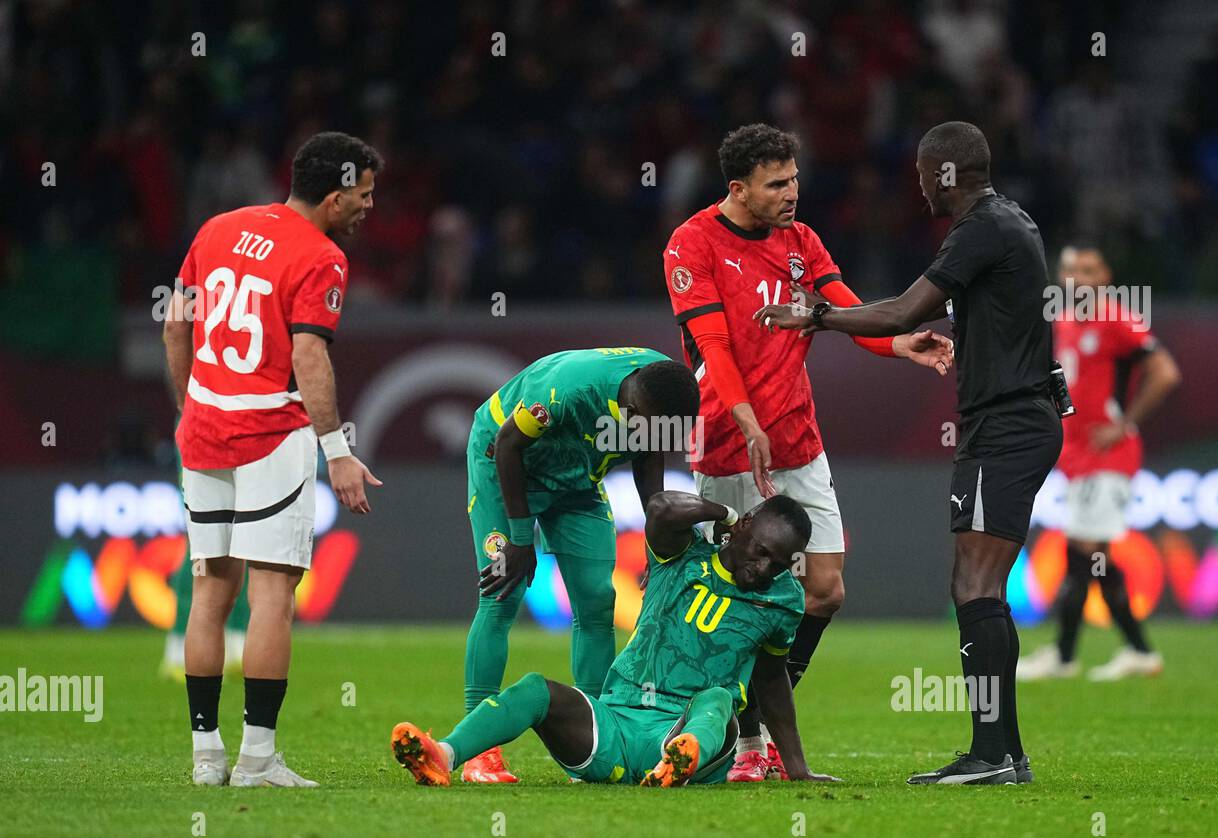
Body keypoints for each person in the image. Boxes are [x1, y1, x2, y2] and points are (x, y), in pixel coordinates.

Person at [761, 121, 1060, 785]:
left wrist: (817, 317)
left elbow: (903, 313)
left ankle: (993, 755)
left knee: (974, 585)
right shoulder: (1013, 222)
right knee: (980, 587)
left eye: (924, 173)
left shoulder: (983, 227)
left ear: (946, 173)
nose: (918, 184)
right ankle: (1003, 753)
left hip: (1005, 423)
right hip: (1017, 418)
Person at [663, 123, 954, 781]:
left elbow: (844, 310)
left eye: (794, 178)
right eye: (776, 184)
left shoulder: (801, 241)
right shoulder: (691, 243)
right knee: (745, 599)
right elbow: (714, 347)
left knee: (823, 589)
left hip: (797, 441)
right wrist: (745, 418)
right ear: (738, 189)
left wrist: (901, 341)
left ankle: (757, 725)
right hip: (730, 450)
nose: (792, 192)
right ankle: (742, 748)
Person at [163, 131, 384, 787]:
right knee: (269, 598)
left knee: (208, 593)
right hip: (271, 436)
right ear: (336, 193)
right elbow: (308, 356)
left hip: (202, 433)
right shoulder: (322, 257)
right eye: (365, 195)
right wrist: (338, 452)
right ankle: (257, 758)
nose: (370, 207)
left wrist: (187, 410)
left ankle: (206, 758)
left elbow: (176, 322)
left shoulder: (217, 229)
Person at [391, 491, 835, 787]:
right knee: (534, 689)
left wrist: (798, 769)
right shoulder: (679, 555)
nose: (762, 569)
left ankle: (682, 757)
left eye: (776, 563)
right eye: (760, 551)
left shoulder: (783, 600)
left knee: (719, 698)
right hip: (613, 724)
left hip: (693, 726)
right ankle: (443, 755)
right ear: (745, 526)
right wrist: (726, 513)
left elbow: (773, 681)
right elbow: (661, 508)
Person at [459, 348, 700, 782]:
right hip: (504, 464)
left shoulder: (660, 390)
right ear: (629, 410)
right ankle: (480, 749)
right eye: (649, 428)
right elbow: (509, 445)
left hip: (575, 481)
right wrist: (518, 540)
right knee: (501, 595)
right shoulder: (565, 393)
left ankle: (592, 734)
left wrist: (657, 542)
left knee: (596, 601)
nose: (657, 436)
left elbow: (649, 462)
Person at [1019, 245, 1181, 682]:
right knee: (1094, 558)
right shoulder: (1065, 323)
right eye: (1070, 270)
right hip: (1077, 458)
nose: (1078, 278)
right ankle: (1138, 651)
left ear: (1105, 275)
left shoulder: (1115, 317)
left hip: (1107, 456)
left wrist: (1124, 423)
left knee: (1082, 552)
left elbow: (1165, 372)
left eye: (1088, 270)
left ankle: (1064, 656)